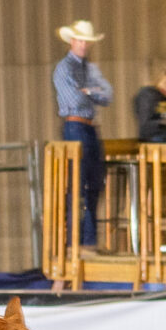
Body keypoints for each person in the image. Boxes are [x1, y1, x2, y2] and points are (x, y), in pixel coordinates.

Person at [51, 19, 112, 247]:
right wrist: (93, 92)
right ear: (73, 41)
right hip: (76, 125)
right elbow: (75, 98)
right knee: (79, 184)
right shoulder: (64, 68)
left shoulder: (87, 68)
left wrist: (88, 92)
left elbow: (107, 95)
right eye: (81, 41)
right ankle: (79, 240)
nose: (84, 45)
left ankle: (88, 240)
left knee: (93, 183)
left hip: (86, 125)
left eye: (87, 42)